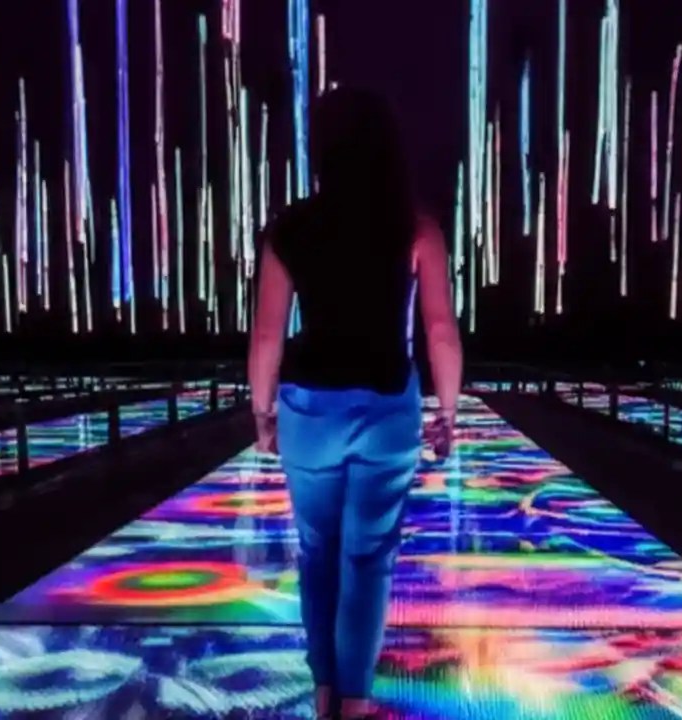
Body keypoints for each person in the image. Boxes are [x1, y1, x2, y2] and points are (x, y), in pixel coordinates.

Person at [247, 87, 463, 719]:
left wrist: (263, 414)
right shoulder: (415, 226)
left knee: (317, 550)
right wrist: (447, 415)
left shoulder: (289, 228)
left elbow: (267, 334)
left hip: (308, 410)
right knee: (368, 558)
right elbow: (441, 330)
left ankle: (322, 689)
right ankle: (356, 699)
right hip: (387, 408)